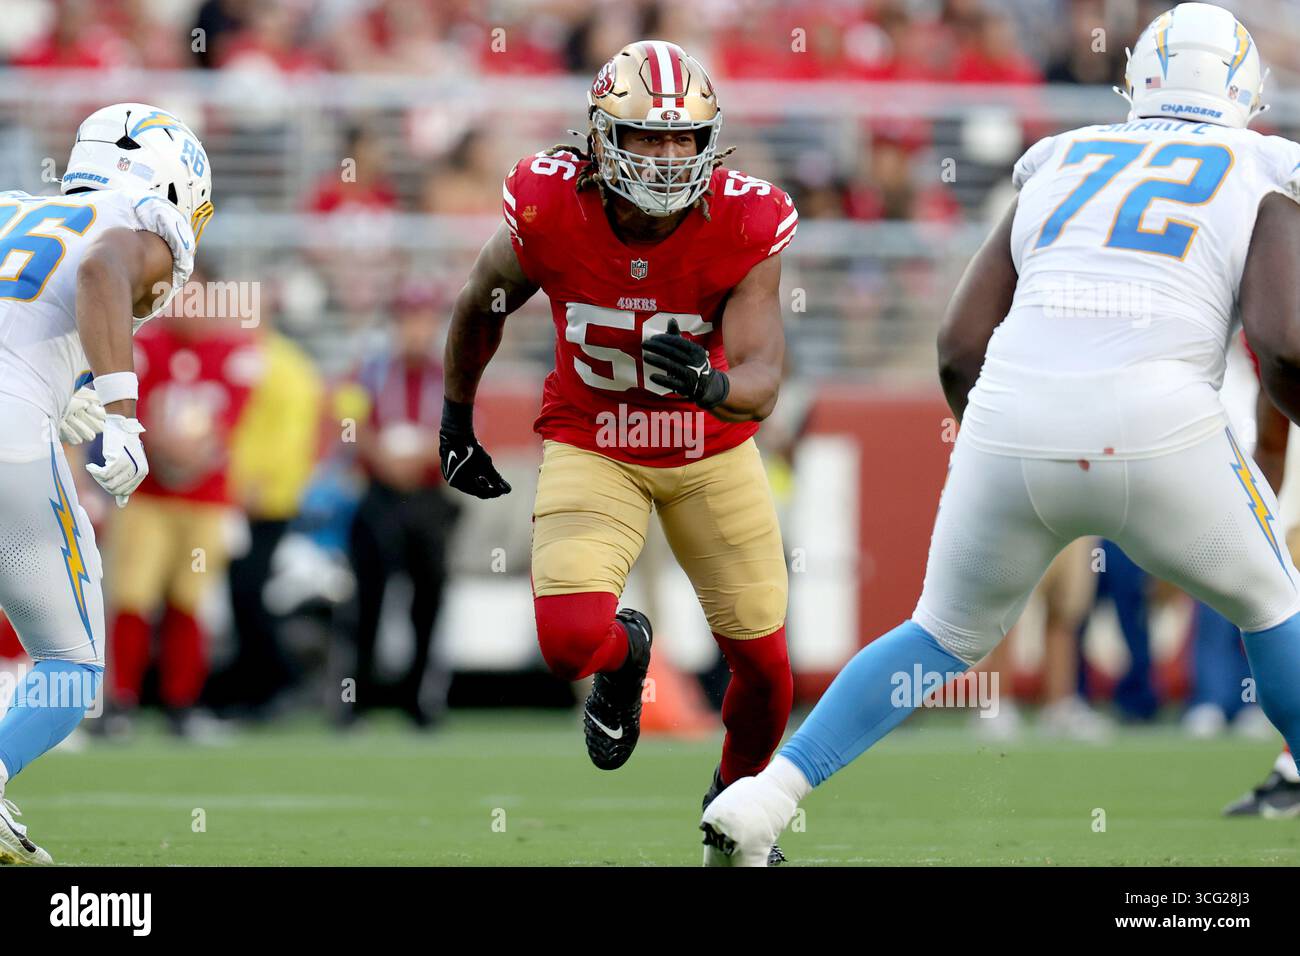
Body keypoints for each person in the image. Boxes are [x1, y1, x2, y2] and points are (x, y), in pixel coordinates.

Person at [701, 2, 1300, 864]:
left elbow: (958, 346)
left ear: (1138, 76)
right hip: (1164, 421)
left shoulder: (1063, 157)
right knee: (1271, 607)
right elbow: (1282, 346)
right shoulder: (1263, 166)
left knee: (937, 635)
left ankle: (768, 797)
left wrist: (1004, 445)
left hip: (1010, 410)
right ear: (1247, 89)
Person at [438, 41, 796, 862]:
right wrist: (456, 418)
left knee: (767, 673)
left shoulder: (746, 220)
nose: (670, 158)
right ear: (602, 138)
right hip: (594, 439)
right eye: (647, 138)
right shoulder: (549, 205)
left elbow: (766, 375)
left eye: (684, 139)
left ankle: (732, 816)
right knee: (568, 645)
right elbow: (481, 304)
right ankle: (628, 651)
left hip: (707, 447)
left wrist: (711, 385)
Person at [0, 102, 208, 863]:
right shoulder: (138, 222)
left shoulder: (14, 207)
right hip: (8, 432)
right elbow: (99, 270)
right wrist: (121, 410)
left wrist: (56, 387)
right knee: (71, 668)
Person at [345, 283, 458, 728]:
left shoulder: (450, 375)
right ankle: (358, 700)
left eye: (423, 321)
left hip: (429, 497)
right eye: (407, 321)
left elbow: (463, 432)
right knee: (367, 598)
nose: (415, 330)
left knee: (427, 601)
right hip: (379, 495)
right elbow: (349, 423)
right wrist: (381, 457)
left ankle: (420, 701)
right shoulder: (371, 373)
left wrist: (422, 457)